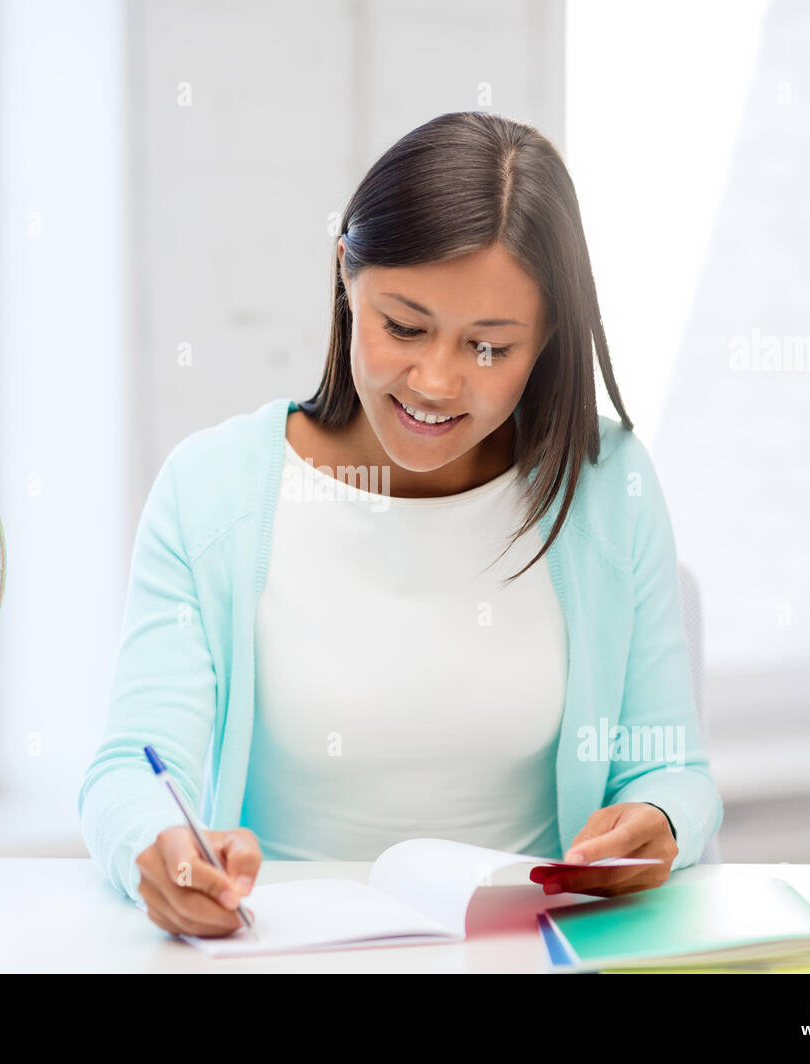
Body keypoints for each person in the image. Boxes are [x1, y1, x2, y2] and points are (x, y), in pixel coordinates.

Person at [79, 111, 722, 939]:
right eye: (404, 327)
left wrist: (662, 819)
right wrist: (155, 847)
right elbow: (130, 767)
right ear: (346, 278)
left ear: (547, 337)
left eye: (490, 347)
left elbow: (673, 769)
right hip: (284, 955)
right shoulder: (212, 493)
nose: (437, 381)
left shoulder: (605, 484)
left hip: (528, 954)